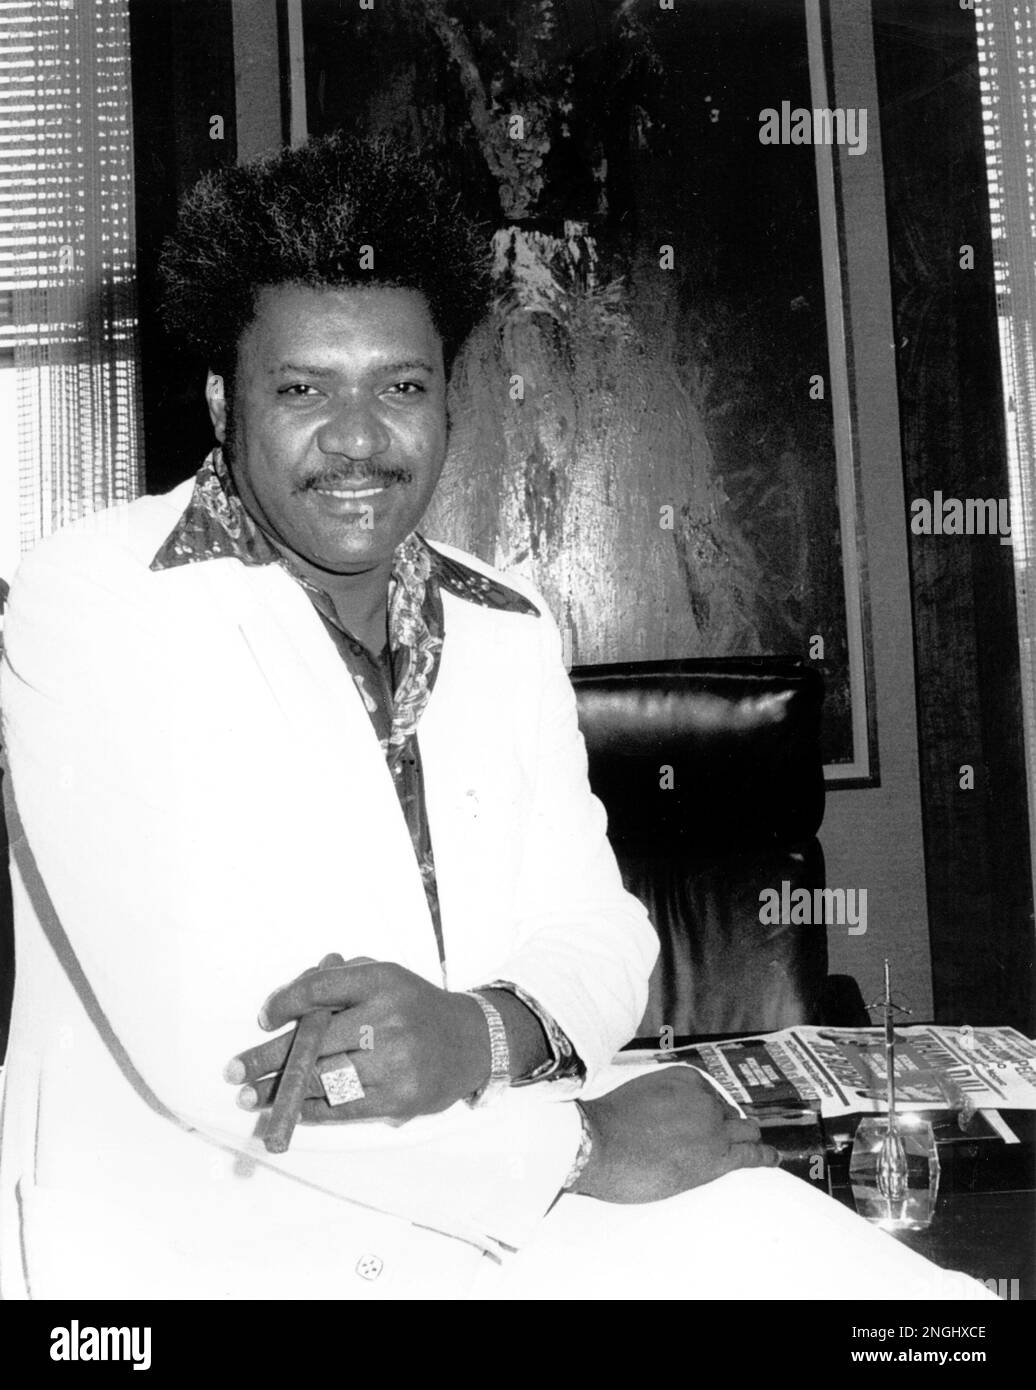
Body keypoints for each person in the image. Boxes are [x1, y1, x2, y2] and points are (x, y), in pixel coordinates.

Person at [0, 135, 994, 1300]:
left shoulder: (506, 619)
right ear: (225, 402)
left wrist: (481, 1034)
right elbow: (219, 1055)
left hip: (502, 1211)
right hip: (209, 1239)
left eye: (401, 386)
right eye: (304, 388)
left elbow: (602, 933)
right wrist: (582, 1146)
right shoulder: (94, 599)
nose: (360, 437)